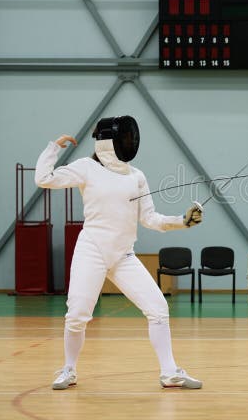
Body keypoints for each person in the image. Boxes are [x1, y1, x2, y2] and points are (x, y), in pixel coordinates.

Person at [35, 115, 204, 390]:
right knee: (78, 314)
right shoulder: (86, 168)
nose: (129, 143)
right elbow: (44, 178)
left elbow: (150, 218)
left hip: (123, 256)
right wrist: (54, 147)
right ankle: (68, 369)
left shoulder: (136, 176)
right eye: (123, 138)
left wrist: (181, 221)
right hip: (92, 251)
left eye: (130, 138)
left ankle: (170, 371)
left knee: (158, 308)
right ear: (107, 142)